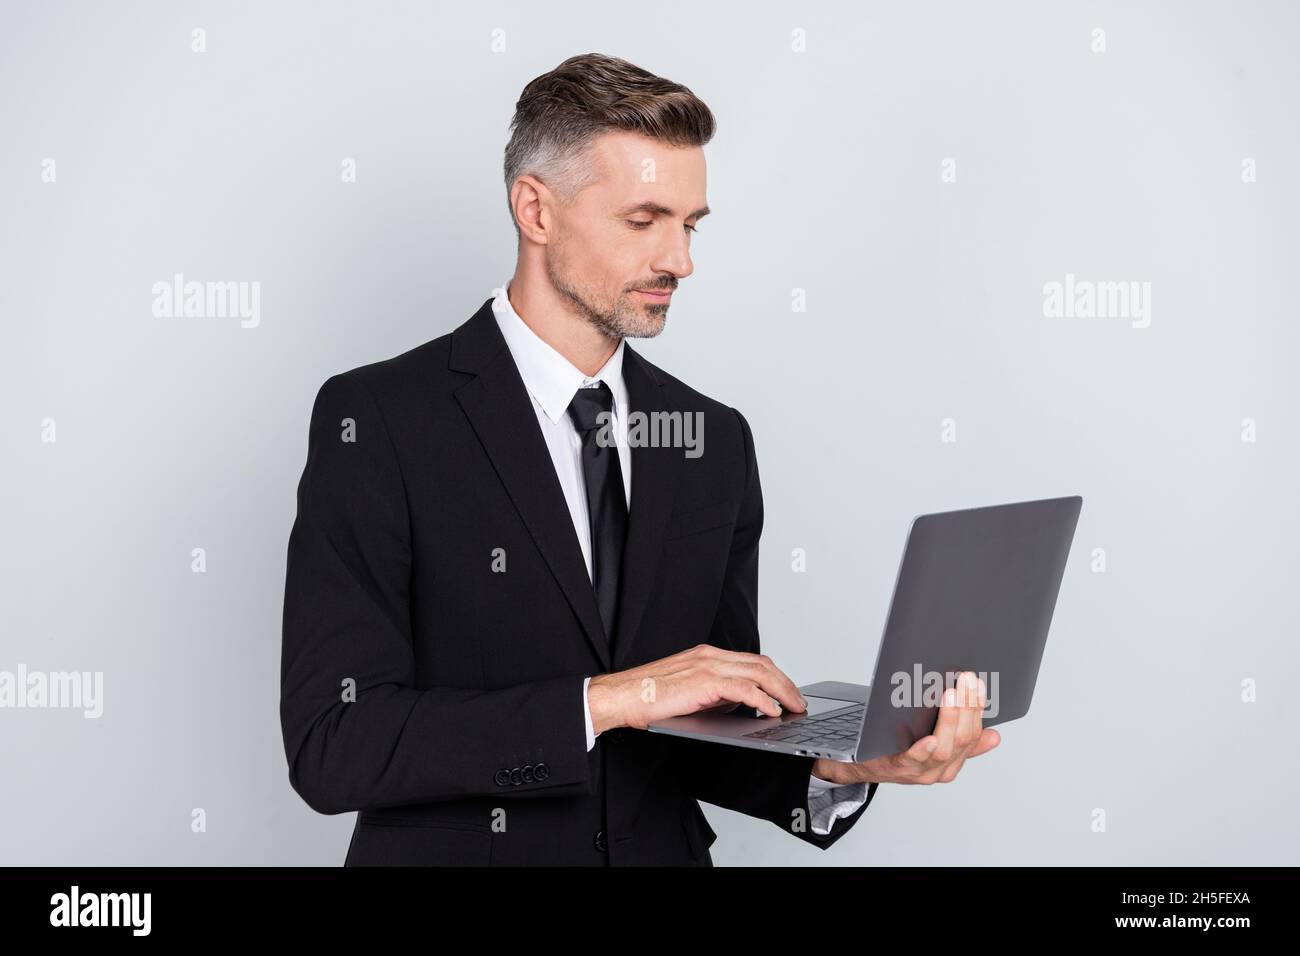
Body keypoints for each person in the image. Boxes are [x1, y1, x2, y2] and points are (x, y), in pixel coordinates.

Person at [279, 52, 999, 866]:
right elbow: (335, 744)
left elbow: (694, 733)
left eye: (689, 225)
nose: (680, 261)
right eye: (643, 220)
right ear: (535, 210)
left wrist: (843, 763)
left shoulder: (710, 438)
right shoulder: (379, 420)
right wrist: (613, 698)